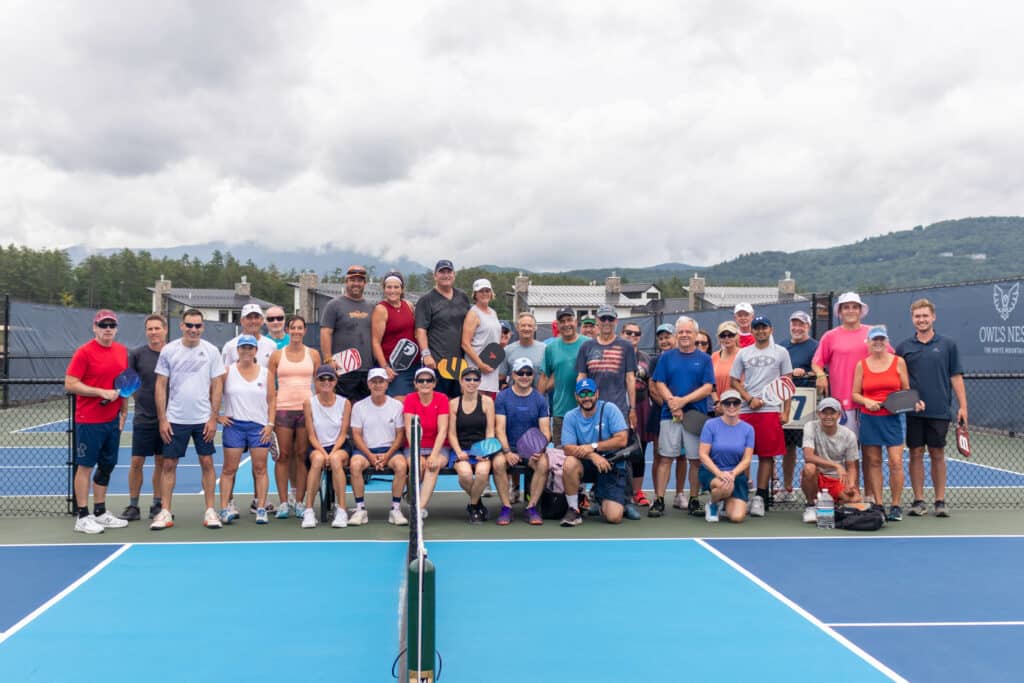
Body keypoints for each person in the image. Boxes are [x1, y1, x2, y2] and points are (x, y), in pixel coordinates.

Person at [151, 309, 227, 530]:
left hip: (203, 419)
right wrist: (163, 419)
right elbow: (160, 385)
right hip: (175, 419)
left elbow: (217, 385)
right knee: (169, 464)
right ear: (182, 326)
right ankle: (165, 511)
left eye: (198, 326)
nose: (194, 329)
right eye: (190, 325)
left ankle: (210, 511)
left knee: (207, 462)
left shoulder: (211, 351)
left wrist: (213, 418)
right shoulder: (169, 350)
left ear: (203, 327)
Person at [895, 299, 968, 517]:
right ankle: (919, 501)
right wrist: (909, 401)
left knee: (937, 453)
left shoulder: (948, 345)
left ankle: (940, 501)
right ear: (912, 319)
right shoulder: (903, 347)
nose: (922, 320)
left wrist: (963, 407)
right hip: (913, 412)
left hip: (939, 410)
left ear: (933, 317)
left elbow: (956, 376)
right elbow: (899, 380)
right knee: (915, 453)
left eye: (925, 315)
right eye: (917, 316)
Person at [65, 308, 130, 534]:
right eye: (103, 325)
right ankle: (83, 516)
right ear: (95, 328)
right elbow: (70, 383)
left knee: (106, 466)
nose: (108, 329)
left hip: (112, 420)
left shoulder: (121, 351)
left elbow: (123, 384)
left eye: (112, 325)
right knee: (85, 466)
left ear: (116, 329)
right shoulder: (84, 352)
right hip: (89, 420)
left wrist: (123, 412)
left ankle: (100, 512)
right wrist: (100, 392)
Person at [852, 324, 923, 521]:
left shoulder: (899, 362)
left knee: (895, 462)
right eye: (874, 339)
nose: (878, 342)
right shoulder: (862, 365)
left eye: (881, 339)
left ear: (887, 342)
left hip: (893, 419)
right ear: (868, 342)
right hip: (870, 419)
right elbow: (855, 394)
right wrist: (867, 401)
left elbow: (906, 390)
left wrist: (915, 402)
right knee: (874, 462)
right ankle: (879, 504)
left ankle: (896, 505)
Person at [575, 304, 639, 519]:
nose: (606, 323)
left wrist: (632, 409)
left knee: (623, 455)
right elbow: (582, 377)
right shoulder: (586, 347)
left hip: (618, 410)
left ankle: (626, 500)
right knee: (597, 454)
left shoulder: (625, 346)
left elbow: (630, 378)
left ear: (616, 322)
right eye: (603, 319)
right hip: (592, 411)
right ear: (598, 321)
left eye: (610, 319)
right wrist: (580, 403)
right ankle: (597, 497)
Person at [649, 316, 715, 518]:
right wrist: (672, 403)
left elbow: (707, 387)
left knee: (694, 460)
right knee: (666, 458)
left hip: (695, 417)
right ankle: (659, 500)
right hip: (669, 416)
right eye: (681, 332)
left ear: (695, 334)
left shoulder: (704, 359)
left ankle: (694, 499)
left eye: (688, 332)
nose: (685, 335)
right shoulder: (666, 358)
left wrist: (683, 401)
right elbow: (659, 383)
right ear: (677, 335)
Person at [729, 316, 792, 517]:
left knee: (766, 455)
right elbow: (733, 380)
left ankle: (760, 497)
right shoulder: (743, 353)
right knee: (740, 454)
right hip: (746, 411)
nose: (760, 331)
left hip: (770, 410)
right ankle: (739, 495)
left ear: (770, 329)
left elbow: (787, 383)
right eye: (756, 328)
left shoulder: (781, 352)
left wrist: (786, 411)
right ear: (752, 331)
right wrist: (749, 399)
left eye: (764, 327)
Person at [267, 315, 321, 519]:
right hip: (283, 410)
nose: (296, 331)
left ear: (304, 331)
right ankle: (283, 503)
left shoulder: (313, 354)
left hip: (306, 411)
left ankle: (299, 502)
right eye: (293, 328)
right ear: (287, 331)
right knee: (283, 456)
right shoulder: (276, 356)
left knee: (301, 456)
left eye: (300, 328)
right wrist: (270, 418)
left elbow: (320, 385)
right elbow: (270, 392)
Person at [217, 335, 273, 525]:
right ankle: (224, 508)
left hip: (259, 427)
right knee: (229, 469)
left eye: (250, 348)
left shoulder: (265, 373)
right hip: (234, 426)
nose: (246, 351)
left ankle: (261, 509)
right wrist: (216, 416)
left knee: (260, 468)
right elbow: (213, 394)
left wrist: (270, 424)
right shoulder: (227, 371)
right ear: (237, 350)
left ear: (256, 350)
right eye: (243, 348)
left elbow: (272, 400)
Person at [559, 379, 629, 526]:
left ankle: (603, 497)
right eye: (582, 394)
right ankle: (574, 510)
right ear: (576, 396)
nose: (586, 398)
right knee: (570, 463)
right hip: (587, 463)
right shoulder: (570, 416)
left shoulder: (610, 409)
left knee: (614, 517)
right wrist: (592, 455)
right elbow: (567, 448)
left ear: (597, 394)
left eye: (590, 393)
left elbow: (622, 439)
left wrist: (593, 447)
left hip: (610, 464)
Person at [119, 314, 167, 522]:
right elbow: (127, 384)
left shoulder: (173, 353)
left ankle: (157, 504)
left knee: (161, 462)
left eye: (157, 328)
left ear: (165, 330)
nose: (153, 332)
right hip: (143, 418)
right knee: (137, 461)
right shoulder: (137, 354)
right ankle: (133, 505)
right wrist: (127, 409)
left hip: (167, 419)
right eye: (150, 329)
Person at [493, 357, 550, 525]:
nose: (524, 376)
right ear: (513, 375)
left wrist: (539, 448)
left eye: (528, 373)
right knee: (498, 464)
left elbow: (546, 432)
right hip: (508, 448)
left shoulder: (539, 399)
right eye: (520, 373)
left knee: (543, 464)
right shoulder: (503, 397)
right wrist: (507, 452)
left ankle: (531, 507)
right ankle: (506, 507)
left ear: (533, 375)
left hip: (531, 450)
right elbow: (499, 429)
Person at [811, 291, 878, 435]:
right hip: (843, 404)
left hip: (871, 401)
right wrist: (820, 375)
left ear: (860, 311)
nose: (850, 310)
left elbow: (890, 357)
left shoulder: (873, 332)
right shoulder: (830, 336)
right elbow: (817, 363)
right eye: (846, 307)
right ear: (840, 312)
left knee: (871, 448)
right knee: (847, 447)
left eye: (854, 307)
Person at [349, 368, 409, 525]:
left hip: (390, 451)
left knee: (401, 465)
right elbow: (356, 435)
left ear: (387, 384)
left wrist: (387, 456)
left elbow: (400, 435)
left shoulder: (397, 406)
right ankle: (360, 509)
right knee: (355, 465)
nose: (377, 385)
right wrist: (370, 456)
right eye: (374, 382)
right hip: (365, 451)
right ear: (368, 384)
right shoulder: (359, 406)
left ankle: (395, 509)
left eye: (381, 381)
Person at [300, 365, 352, 529]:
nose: (326, 382)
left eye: (330, 378)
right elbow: (311, 435)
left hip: (339, 446)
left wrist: (332, 453)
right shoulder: (309, 403)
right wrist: (323, 453)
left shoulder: (345, 403)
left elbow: (343, 434)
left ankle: (341, 510)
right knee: (317, 460)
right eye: (322, 379)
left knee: (336, 460)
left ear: (335, 381)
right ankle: (309, 510)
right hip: (318, 446)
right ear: (316, 381)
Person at [777, 310, 819, 503]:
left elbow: (821, 371)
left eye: (801, 324)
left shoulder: (815, 347)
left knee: (811, 449)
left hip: (808, 405)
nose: (797, 327)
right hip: (785, 403)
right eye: (794, 324)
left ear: (807, 326)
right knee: (788, 448)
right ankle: (787, 488)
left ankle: (814, 491)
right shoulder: (782, 347)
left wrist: (806, 373)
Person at [415, 259, 471, 397]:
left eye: (449, 272)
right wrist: (426, 354)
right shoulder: (426, 300)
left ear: (454, 274)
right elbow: (420, 330)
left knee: (457, 403)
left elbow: (470, 325)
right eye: (442, 272)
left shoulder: (462, 297)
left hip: (459, 363)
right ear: (435, 276)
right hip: (437, 362)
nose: (446, 275)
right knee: (438, 402)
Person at [799, 398, 861, 523]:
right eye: (824, 413)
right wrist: (836, 466)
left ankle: (833, 503)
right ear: (818, 414)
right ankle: (811, 505)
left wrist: (851, 485)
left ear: (839, 414)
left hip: (836, 478)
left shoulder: (849, 435)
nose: (828, 416)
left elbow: (851, 467)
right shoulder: (810, 427)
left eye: (832, 413)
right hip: (818, 476)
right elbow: (808, 456)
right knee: (809, 468)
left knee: (854, 500)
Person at [447, 366, 496, 523]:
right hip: (461, 450)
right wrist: (459, 452)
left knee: (482, 473)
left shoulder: (487, 402)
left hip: (482, 449)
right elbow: (451, 434)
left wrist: (485, 451)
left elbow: (490, 431)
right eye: (468, 379)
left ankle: (473, 506)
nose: (472, 382)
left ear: (480, 382)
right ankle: (478, 504)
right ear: (461, 381)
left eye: (475, 379)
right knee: (465, 474)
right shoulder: (453, 404)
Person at [698, 389, 754, 523]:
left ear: (740, 405)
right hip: (712, 472)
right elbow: (703, 455)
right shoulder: (710, 425)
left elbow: (747, 460)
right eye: (727, 403)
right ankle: (713, 504)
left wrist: (733, 474)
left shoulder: (748, 429)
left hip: (736, 475)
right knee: (725, 486)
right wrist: (720, 473)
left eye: (735, 403)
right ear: (721, 406)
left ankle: (724, 501)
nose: (731, 406)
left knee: (737, 517)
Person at [321, 264, 375, 403]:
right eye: (353, 280)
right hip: (344, 368)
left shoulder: (371, 307)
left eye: (360, 280)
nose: (356, 284)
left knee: (366, 408)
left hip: (367, 368)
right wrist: (328, 360)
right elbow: (326, 332)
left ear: (365, 283)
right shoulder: (334, 305)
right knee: (344, 407)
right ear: (346, 281)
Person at [404, 367, 450, 518]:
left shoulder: (442, 398)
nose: (425, 383)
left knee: (432, 466)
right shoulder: (410, 399)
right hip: (414, 445)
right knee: (417, 466)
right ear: (415, 383)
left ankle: (418, 509)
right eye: (421, 380)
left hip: (438, 447)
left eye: (429, 380)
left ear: (434, 383)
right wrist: (416, 453)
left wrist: (434, 455)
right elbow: (409, 429)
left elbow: (443, 430)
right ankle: (412, 494)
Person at [540, 308, 586, 447]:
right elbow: (544, 377)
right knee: (560, 456)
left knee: (587, 454)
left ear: (576, 322)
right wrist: (537, 405)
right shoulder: (551, 348)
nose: (566, 324)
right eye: (562, 321)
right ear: (558, 325)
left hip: (587, 411)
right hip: (561, 413)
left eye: (569, 320)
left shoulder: (588, 344)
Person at [371, 270, 418, 400]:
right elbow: (375, 342)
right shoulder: (381, 309)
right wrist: (385, 367)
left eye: (396, 287)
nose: (393, 291)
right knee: (399, 401)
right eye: (389, 287)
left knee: (413, 402)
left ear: (402, 289)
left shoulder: (408, 305)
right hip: (394, 367)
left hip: (413, 364)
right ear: (384, 289)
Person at [622, 320, 652, 507]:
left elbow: (651, 385)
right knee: (616, 449)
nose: (632, 336)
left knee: (640, 450)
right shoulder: (616, 355)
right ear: (622, 334)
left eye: (636, 333)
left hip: (641, 407)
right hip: (619, 407)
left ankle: (637, 491)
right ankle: (612, 489)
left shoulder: (646, 358)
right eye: (629, 333)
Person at [461, 278, 502, 396]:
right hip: (476, 368)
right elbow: (465, 343)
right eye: (481, 291)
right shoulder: (473, 314)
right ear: (475, 294)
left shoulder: (493, 312)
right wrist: (480, 365)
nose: (484, 294)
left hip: (491, 366)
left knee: (489, 403)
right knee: (476, 403)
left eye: (487, 290)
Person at [498, 313, 546, 389]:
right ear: (517, 328)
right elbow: (501, 377)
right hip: (514, 396)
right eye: (523, 325)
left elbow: (552, 375)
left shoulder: (545, 349)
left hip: (539, 395)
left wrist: (543, 391)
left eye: (530, 326)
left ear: (535, 328)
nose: (526, 328)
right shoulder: (507, 350)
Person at [222, 303, 277, 368]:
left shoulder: (271, 345)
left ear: (262, 320)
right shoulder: (230, 346)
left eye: (256, 317)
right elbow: (225, 371)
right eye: (249, 318)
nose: (253, 321)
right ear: (242, 321)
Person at [711, 321, 741, 407]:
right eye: (723, 336)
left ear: (737, 336)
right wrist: (717, 402)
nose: (727, 338)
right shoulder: (714, 356)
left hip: (738, 406)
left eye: (731, 335)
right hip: (719, 407)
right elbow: (711, 383)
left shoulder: (743, 355)